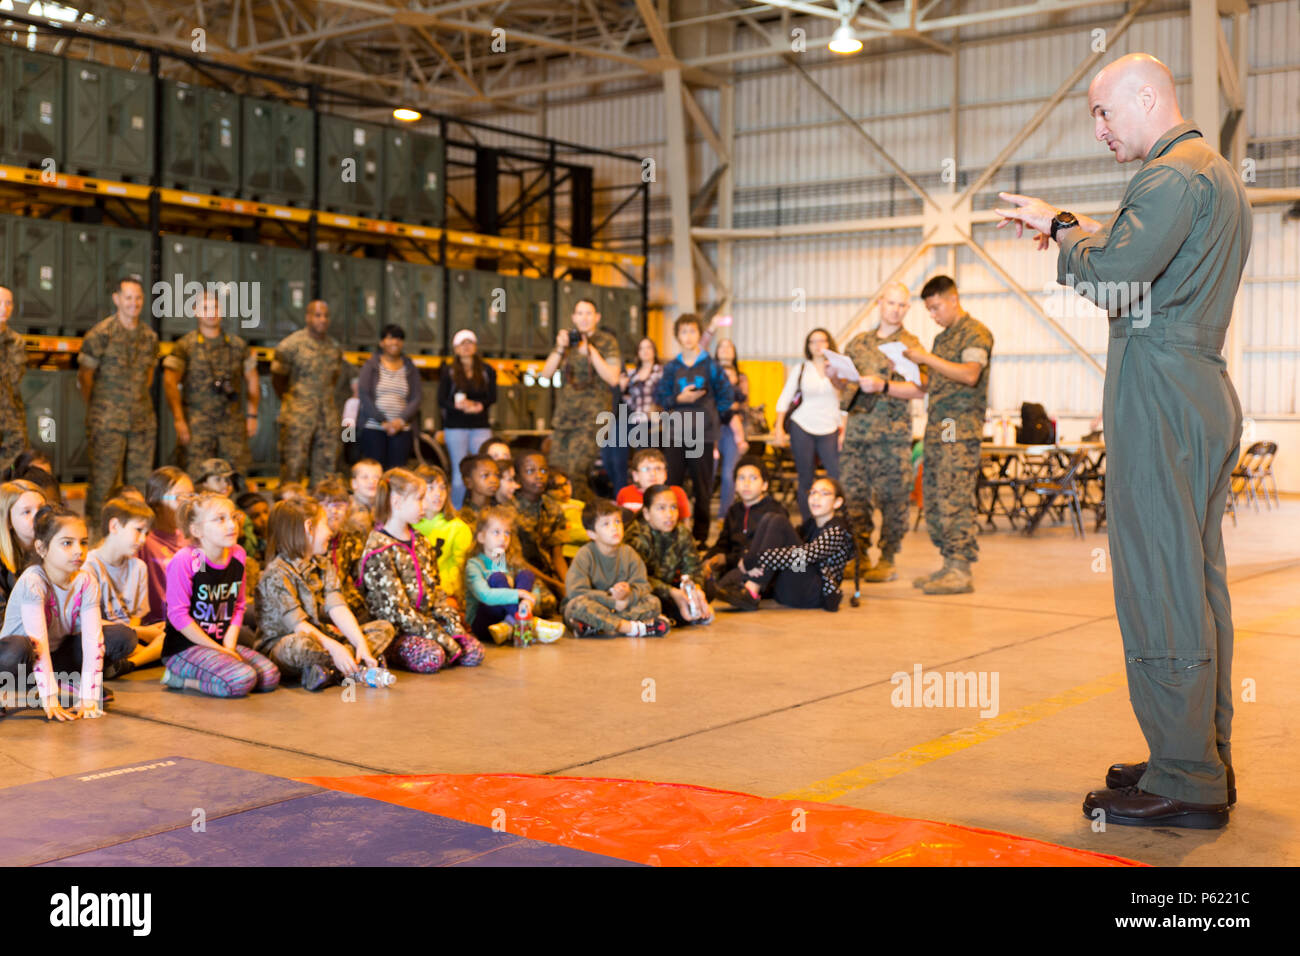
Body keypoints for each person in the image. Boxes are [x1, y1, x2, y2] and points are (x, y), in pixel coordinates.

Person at [995, 53, 1252, 828]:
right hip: (1197, 381)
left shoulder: (1171, 175)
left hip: (1160, 391)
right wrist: (1070, 225)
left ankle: (1185, 775)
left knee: (1159, 580)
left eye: (1104, 113)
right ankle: (1199, 752)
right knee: (1196, 579)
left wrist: (1068, 234)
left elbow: (1114, 277)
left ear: (1146, 98)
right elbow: (1148, 259)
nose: (1099, 129)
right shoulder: (1214, 175)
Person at [904, 276, 993, 595]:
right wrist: (910, 368)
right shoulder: (943, 340)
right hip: (939, 430)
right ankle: (948, 562)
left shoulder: (975, 332)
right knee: (937, 497)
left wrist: (925, 358)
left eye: (936, 307)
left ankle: (960, 568)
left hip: (959, 430)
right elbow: (930, 384)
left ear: (953, 299)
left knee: (955, 496)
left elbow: (970, 374)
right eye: (928, 310)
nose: (933, 315)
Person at [0, 506, 134, 719]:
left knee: (122, 637)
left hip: (54, 658)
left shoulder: (86, 581)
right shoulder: (33, 581)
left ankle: (68, 680)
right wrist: (50, 698)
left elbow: (93, 641)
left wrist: (89, 697)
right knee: (18, 648)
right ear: (42, 548)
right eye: (66, 543)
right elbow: (38, 643)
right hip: (19, 664)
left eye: (83, 542)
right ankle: (32, 687)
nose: (78, 550)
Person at [834, 282, 928, 583]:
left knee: (893, 498)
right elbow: (845, 391)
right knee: (854, 496)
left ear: (908, 308)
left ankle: (887, 558)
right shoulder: (858, 343)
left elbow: (921, 389)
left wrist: (883, 386)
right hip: (857, 435)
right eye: (891, 303)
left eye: (902, 305)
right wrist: (835, 378)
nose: (896, 310)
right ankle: (858, 555)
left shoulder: (911, 346)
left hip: (892, 436)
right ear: (880, 304)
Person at [255, 498, 394, 691]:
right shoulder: (275, 574)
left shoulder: (324, 564)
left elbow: (338, 607)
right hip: (288, 644)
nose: (330, 531)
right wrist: (335, 648)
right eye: (325, 524)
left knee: (384, 627)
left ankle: (330, 670)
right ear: (308, 527)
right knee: (300, 645)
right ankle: (345, 665)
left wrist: (360, 643)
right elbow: (298, 626)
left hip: (322, 638)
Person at [358, 468, 484, 673]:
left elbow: (436, 591)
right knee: (433, 656)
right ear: (397, 503)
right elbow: (397, 613)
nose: (425, 504)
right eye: (419, 499)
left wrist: (453, 628)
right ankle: (387, 652)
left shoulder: (421, 541)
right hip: (397, 631)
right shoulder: (379, 549)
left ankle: (443, 639)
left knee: (474, 652)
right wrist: (440, 635)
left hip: (427, 625)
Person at [160, 492, 279, 697]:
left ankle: (224, 667)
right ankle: (181, 680)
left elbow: (238, 605)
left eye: (234, 517)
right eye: (220, 519)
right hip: (185, 649)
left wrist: (229, 647)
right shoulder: (186, 559)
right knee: (241, 680)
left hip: (220, 644)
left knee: (269, 676)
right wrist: (222, 652)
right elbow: (178, 616)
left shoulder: (238, 554)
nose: (232, 525)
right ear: (197, 530)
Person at [78, 277, 159, 527]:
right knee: (103, 482)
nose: (134, 303)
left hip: (141, 421)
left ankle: (134, 532)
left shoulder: (149, 337)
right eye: (128, 297)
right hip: (107, 421)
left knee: (138, 483)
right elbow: (85, 377)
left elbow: (148, 376)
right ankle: (95, 535)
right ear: (116, 299)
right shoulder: (101, 334)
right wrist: (99, 409)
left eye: (138, 298)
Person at [715, 476, 857, 613]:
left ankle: (751, 590)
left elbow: (807, 555)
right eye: (812, 492)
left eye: (824, 493)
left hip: (814, 594)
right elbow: (783, 547)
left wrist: (756, 559)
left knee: (779, 522)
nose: (816, 497)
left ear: (837, 502)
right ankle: (742, 585)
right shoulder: (810, 525)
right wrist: (751, 558)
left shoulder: (838, 530)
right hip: (793, 588)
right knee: (770, 518)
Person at [654, 313, 733, 544]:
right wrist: (680, 399)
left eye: (692, 331)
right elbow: (662, 397)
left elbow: (726, 395)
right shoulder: (671, 367)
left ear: (700, 334)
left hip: (703, 435)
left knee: (702, 488)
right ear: (677, 336)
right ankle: (672, 535)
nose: (688, 336)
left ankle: (700, 538)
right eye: (683, 331)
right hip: (675, 434)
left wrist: (711, 415)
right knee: (673, 486)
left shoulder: (711, 365)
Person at [162, 291, 259, 476]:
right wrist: (179, 419)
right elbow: (169, 381)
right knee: (197, 475)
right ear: (196, 311)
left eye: (215, 307)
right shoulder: (185, 345)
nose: (211, 312)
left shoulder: (237, 345)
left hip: (232, 424)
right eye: (205, 308)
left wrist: (252, 415)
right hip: (197, 424)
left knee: (235, 475)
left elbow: (252, 379)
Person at [540, 298, 622, 501]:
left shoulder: (606, 342)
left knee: (576, 472)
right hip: (565, 417)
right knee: (556, 472)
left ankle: (586, 519)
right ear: (573, 317)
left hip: (593, 418)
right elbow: (544, 376)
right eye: (580, 313)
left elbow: (613, 377)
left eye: (589, 313)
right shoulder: (569, 341)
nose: (584, 318)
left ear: (597, 317)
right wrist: (560, 348)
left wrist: (591, 352)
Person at [562, 498, 669, 639]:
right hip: (597, 605)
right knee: (576, 606)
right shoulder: (585, 554)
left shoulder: (629, 553)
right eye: (606, 524)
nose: (614, 528)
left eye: (617, 521)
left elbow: (643, 586)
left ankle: (597, 626)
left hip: (622, 606)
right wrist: (612, 601)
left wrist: (628, 595)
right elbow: (575, 591)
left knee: (653, 602)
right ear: (592, 534)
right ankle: (629, 627)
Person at [83, 496, 166, 676]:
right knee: (124, 638)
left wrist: (139, 631)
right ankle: (148, 656)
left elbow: (136, 616)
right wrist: (142, 632)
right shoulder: (89, 566)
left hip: (132, 635)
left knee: (172, 633)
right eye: (138, 530)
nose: (143, 539)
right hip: (104, 635)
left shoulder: (138, 567)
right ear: (114, 526)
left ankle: (128, 663)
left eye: (146, 533)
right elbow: (86, 620)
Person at [773, 328, 844, 525]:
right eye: (813, 341)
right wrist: (779, 427)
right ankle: (808, 524)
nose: (818, 345)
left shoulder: (838, 368)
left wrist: (843, 429)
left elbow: (844, 401)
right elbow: (785, 398)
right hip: (802, 425)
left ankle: (834, 523)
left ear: (829, 343)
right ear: (808, 346)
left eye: (822, 340)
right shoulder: (801, 369)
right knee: (805, 477)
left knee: (835, 475)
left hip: (830, 427)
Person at [272, 299, 344, 487]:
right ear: (308, 317)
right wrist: (294, 400)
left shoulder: (334, 348)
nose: (323, 320)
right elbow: (278, 379)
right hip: (298, 415)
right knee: (293, 466)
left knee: (326, 467)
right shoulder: (290, 346)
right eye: (317, 315)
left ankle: (322, 508)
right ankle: (289, 510)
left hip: (327, 416)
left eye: (326, 316)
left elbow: (333, 378)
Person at [462, 506, 558, 645]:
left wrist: (528, 601)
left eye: (507, 533)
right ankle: (527, 622)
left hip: (503, 617)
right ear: (481, 537)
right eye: (496, 532)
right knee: (497, 578)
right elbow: (486, 596)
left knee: (526, 574)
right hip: (482, 623)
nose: (503, 538)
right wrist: (519, 593)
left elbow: (534, 592)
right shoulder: (474, 564)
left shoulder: (502, 559)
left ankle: (511, 624)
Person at [626, 485, 714, 626]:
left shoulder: (681, 532)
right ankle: (676, 614)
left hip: (673, 588)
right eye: (661, 508)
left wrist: (694, 590)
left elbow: (693, 568)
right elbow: (637, 579)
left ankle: (685, 610)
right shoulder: (636, 537)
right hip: (649, 591)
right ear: (647, 513)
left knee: (708, 588)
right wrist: (671, 592)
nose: (669, 514)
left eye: (673, 507)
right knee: (647, 600)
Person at [701, 456, 785, 596]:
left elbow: (765, 551)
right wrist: (709, 559)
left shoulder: (775, 511)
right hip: (735, 566)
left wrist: (727, 559)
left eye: (753, 478)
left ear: (765, 485)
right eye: (741, 478)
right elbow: (723, 543)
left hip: (760, 572)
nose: (746, 483)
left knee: (721, 588)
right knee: (698, 575)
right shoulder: (734, 511)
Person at [439, 329, 498, 509]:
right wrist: (456, 406)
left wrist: (480, 405)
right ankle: (455, 511)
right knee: (459, 475)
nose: (466, 347)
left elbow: (492, 397)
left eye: (469, 343)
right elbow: (441, 399)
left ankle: (483, 509)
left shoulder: (487, 370)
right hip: (456, 426)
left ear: (475, 346)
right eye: (461, 344)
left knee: (485, 469)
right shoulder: (448, 371)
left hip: (480, 425)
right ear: (455, 348)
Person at [357, 324, 422, 470]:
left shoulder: (410, 367)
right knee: (375, 471)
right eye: (390, 338)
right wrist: (383, 421)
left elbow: (417, 397)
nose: (395, 342)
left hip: (402, 428)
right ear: (381, 342)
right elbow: (364, 395)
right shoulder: (371, 365)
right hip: (374, 426)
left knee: (397, 472)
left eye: (399, 339)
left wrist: (400, 420)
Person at [141, 466, 193, 627]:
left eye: (191, 497)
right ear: (155, 502)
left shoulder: (192, 538)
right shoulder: (143, 541)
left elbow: (204, 578)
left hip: (196, 619)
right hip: (162, 625)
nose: (187, 505)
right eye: (179, 498)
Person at [412, 466, 472, 604]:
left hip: (444, 593)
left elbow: (459, 568)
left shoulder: (458, 528)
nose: (438, 494)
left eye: (442, 487)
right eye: (430, 488)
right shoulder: (407, 525)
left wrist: (441, 591)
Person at [313, 477, 369, 624]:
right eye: (326, 505)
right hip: (318, 607)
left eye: (339, 506)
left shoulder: (351, 540)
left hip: (347, 604)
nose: (334, 511)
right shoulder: (311, 543)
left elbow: (360, 579)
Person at [511, 451, 568, 594]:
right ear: (517, 478)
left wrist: (567, 585)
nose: (539, 476)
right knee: (544, 602)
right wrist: (555, 585)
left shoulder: (553, 507)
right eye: (530, 471)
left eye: (543, 470)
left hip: (548, 573)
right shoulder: (508, 510)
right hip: (519, 574)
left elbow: (557, 555)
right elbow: (516, 560)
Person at [616, 337, 663, 495]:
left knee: (654, 459)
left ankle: (655, 492)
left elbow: (666, 394)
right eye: (642, 348)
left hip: (655, 422)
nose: (645, 351)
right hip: (637, 422)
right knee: (641, 460)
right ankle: (642, 494)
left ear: (654, 351)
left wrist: (657, 407)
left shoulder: (660, 371)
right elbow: (629, 402)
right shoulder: (633, 374)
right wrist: (623, 389)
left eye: (648, 347)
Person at [714, 338, 751, 514]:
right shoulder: (708, 375)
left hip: (730, 426)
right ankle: (702, 512)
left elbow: (743, 404)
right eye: (722, 346)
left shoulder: (741, 378)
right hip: (711, 426)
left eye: (729, 346)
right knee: (708, 472)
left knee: (729, 475)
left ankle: (724, 514)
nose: (726, 349)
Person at [0, 480, 47, 620]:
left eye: (42, 509)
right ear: (7, 521)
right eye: (27, 512)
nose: (38, 517)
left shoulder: (54, 551)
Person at [615, 448, 691, 521]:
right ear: (635, 475)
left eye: (658, 468)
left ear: (665, 474)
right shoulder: (624, 493)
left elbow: (686, 525)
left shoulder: (677, 493)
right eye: (646, 469)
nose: (653, 474)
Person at [0, 285, 27, 478]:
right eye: (0, 303)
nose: (4, 308)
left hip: (10, 418)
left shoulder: (16, 341)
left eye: (8, 303)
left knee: (12, 474)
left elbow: (16, 380)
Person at [547, 468, 589, 561]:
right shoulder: (548, 510)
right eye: (557, 487)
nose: (565, 490)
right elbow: (565, 536)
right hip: (564, 556)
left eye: (566, 484)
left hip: (586, 555)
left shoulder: (580, 505)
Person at [457, 454, 499, 527]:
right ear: (468, 482)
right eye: (485, 475)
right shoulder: (463, 519)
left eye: (496, 475)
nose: (494, 480)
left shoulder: (499, 512)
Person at [347, 459, 383, 536]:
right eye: (365, 477)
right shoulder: (346, 508)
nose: (372, 481)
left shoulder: (386, 508)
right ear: (354, 483)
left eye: (377, 477)